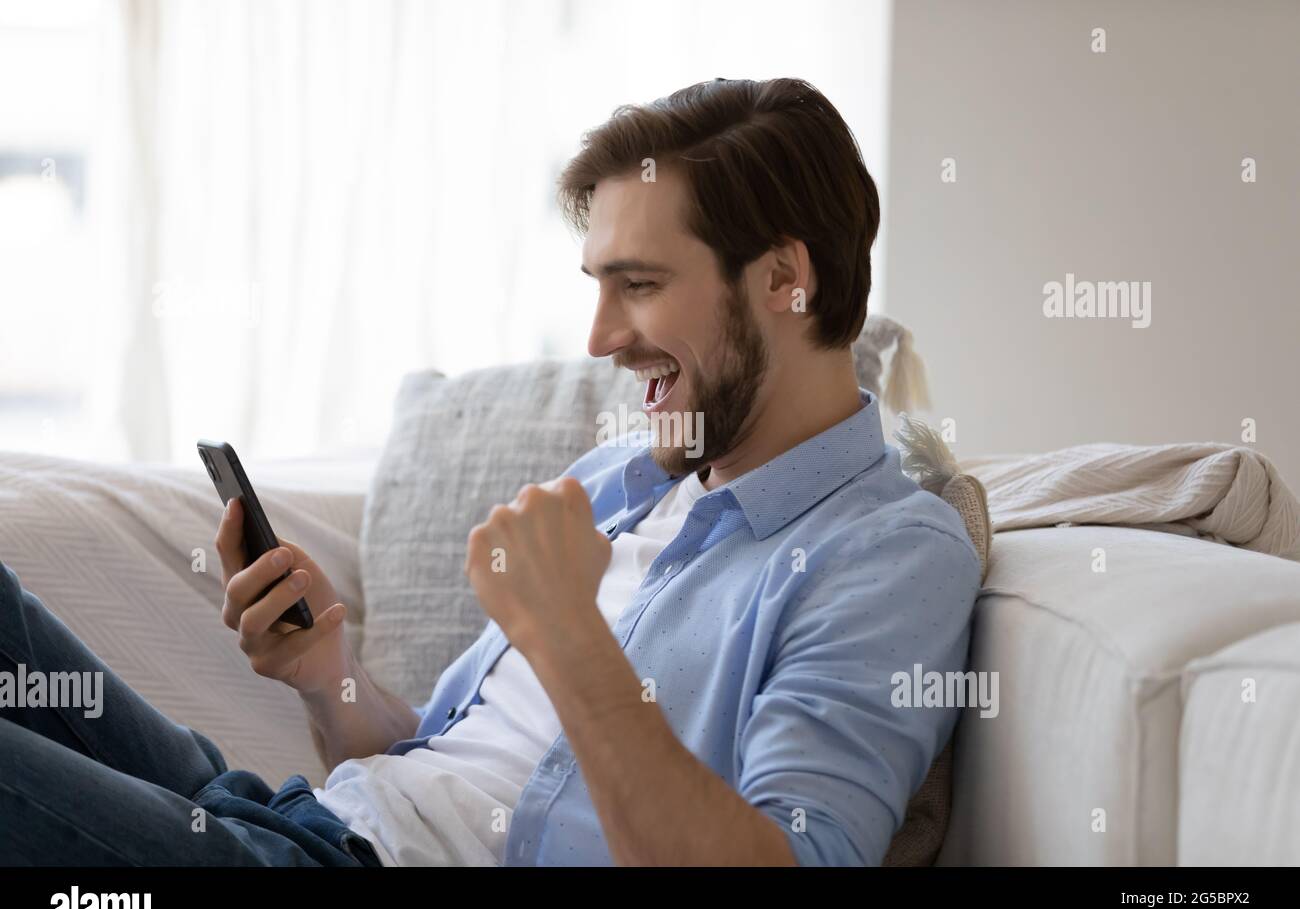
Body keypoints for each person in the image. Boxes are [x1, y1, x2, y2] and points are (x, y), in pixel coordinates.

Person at [0, 78, 980, 866]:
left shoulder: (886, 551)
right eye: (596, 287)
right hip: (284, 816)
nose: (601, 338)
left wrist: (567, 632)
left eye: (637, 285)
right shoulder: (618, 482)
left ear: (782, 279)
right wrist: (329, 676)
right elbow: (447, 771)